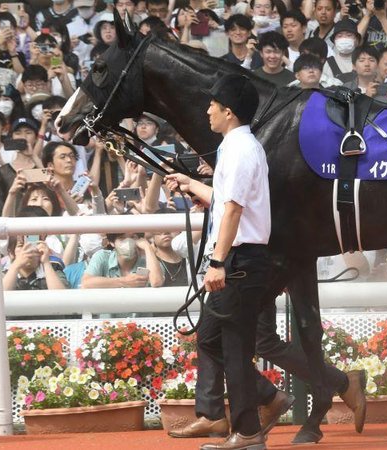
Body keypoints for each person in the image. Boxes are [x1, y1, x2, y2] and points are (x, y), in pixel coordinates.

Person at [164, 73, 274, 449]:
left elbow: (233, 210)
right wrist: (190, 183)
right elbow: (226, 200)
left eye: (212, 104)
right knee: (211, 338)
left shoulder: (240, 149)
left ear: (229, 111)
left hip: (239, 260)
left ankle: (248, 432)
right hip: (238, 257)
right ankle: (267, 403)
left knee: (235, 348)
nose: (207, 110)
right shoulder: (234, 146)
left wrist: (217, 261)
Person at [81, 232, 162, 288]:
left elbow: (156, 282)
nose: (128, 242)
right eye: (122, 238)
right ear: (112, 242)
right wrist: (124, 281)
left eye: (133, 237)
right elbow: (86, 283)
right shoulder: (102, 256)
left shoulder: (148, 260)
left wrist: (148, 248)